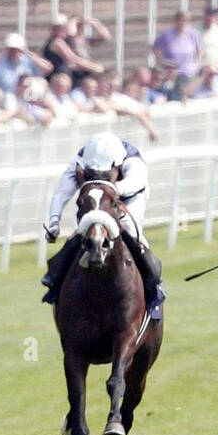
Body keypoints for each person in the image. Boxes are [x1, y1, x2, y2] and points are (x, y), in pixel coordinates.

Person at [39, 133, 165, 318]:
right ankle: (54, 282)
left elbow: (136, 183)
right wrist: (54, 222)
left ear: (116, 165)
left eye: (104, 174)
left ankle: (154, 287)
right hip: (94, 200)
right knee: (80, 232)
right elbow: (61, 194)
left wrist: (110, 190)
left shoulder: (131, 160)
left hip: (128, 199)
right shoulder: (80, 161)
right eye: (92, 174)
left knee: (129, 229)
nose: (98, 176)